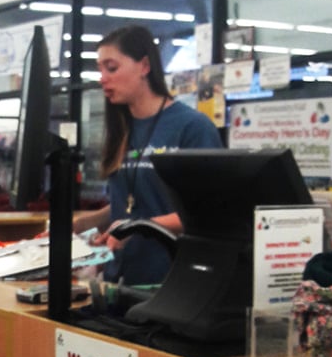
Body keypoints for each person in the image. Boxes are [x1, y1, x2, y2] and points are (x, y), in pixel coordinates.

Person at [73, 25, 223, 286]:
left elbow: (209, 214)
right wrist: (84, 224)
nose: (102, 78)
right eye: (100, 69)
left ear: (144, 66)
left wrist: (137, 227)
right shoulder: (122, 129)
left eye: (111, 68)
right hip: (120, 281)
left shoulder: (191, 128)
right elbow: (133, 203)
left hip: (171, 283)